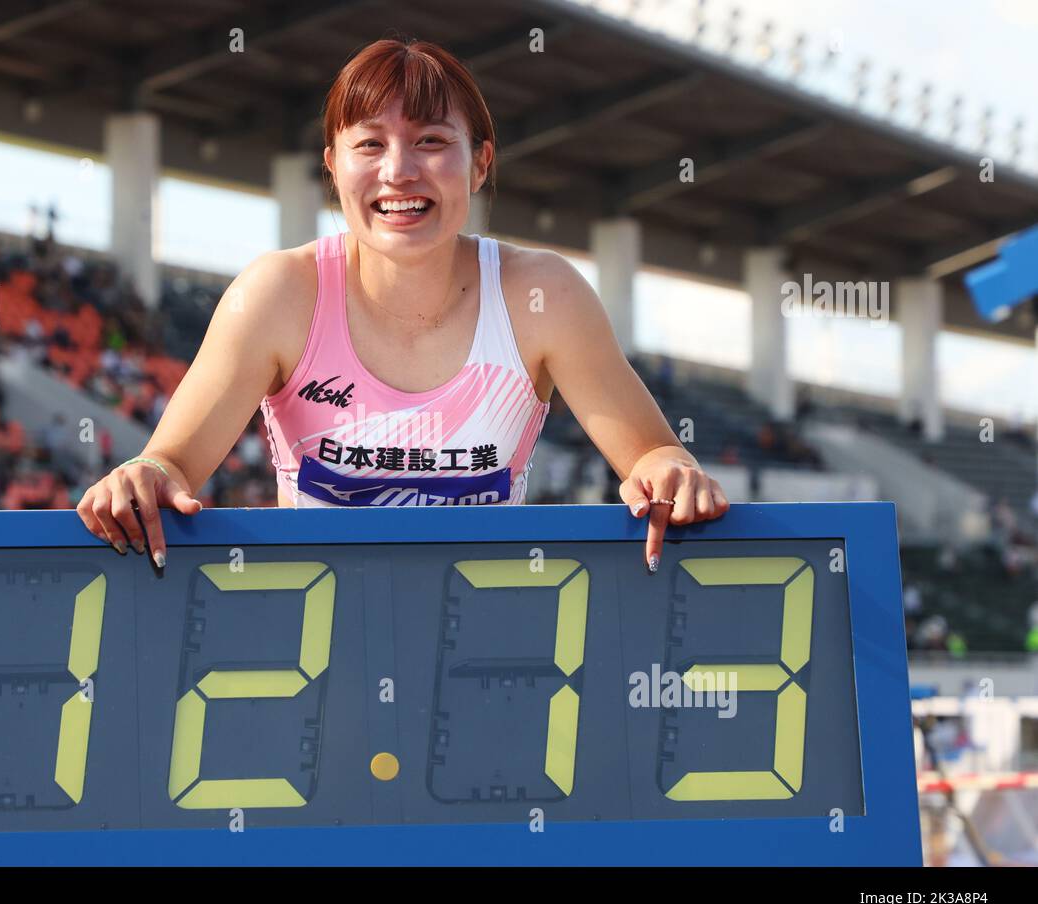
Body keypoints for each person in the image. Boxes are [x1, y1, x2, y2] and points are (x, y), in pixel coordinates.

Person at [77, 38, 727, 569]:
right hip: (317, 645)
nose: (398, 172)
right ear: (332, 166)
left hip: (484, 642)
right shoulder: (278, 295)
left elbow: (652, 457)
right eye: (369, 144)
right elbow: (169, 466)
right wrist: (142, 476)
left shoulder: (542, 298)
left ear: (479, 165)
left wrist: (671, 468)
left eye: (432, 141)